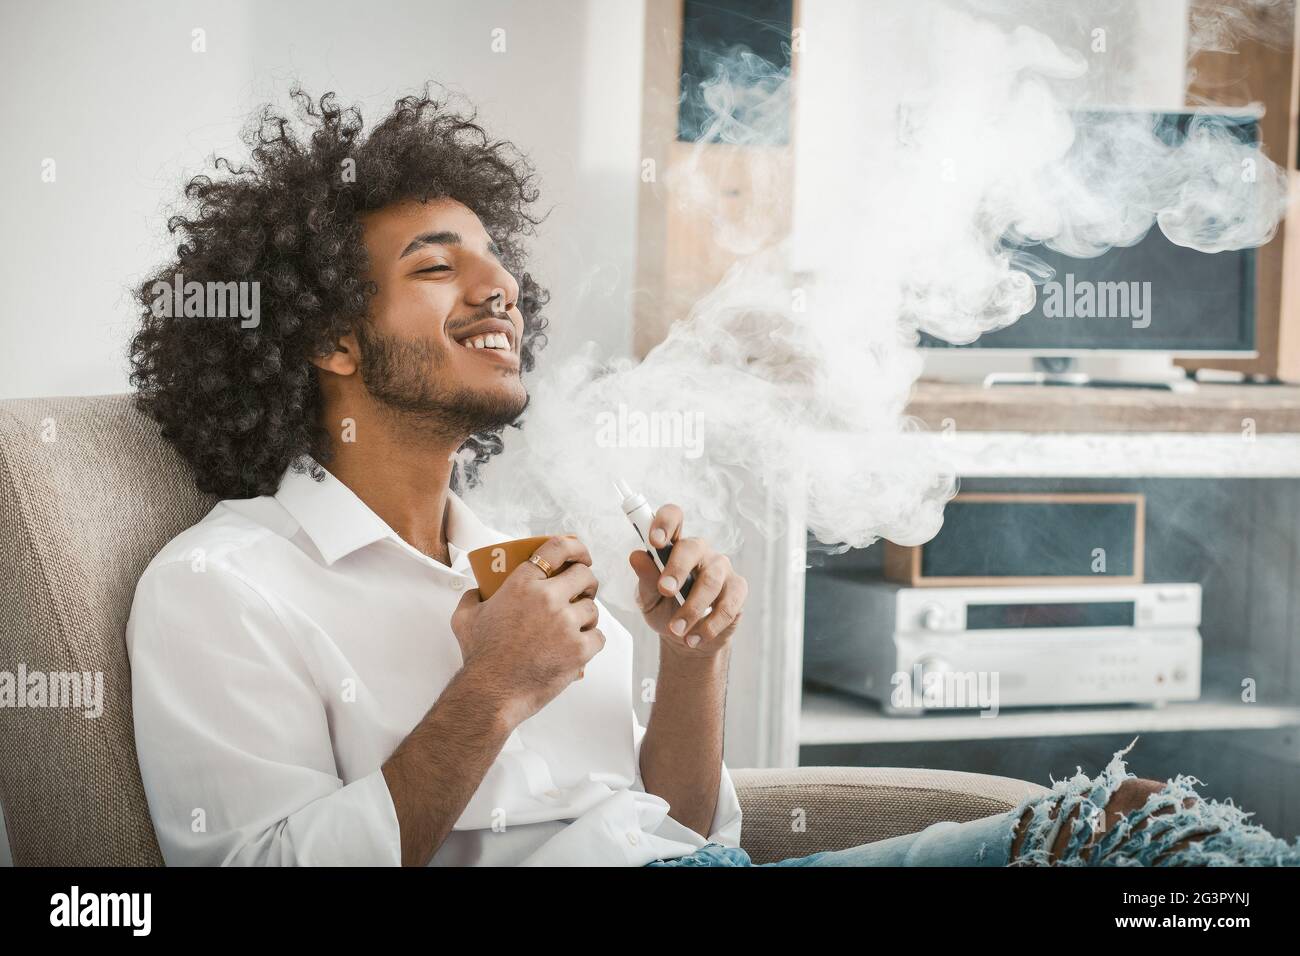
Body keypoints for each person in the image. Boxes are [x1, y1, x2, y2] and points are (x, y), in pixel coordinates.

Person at [125, 86, 1299, 867]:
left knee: (1138, 832)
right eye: (439, 268)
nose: (501, 290)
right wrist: (486, 692)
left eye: (500, 261)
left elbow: (681, 830)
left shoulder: (521, 553)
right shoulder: (225, 585)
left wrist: (692, 664)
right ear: (330, 338)